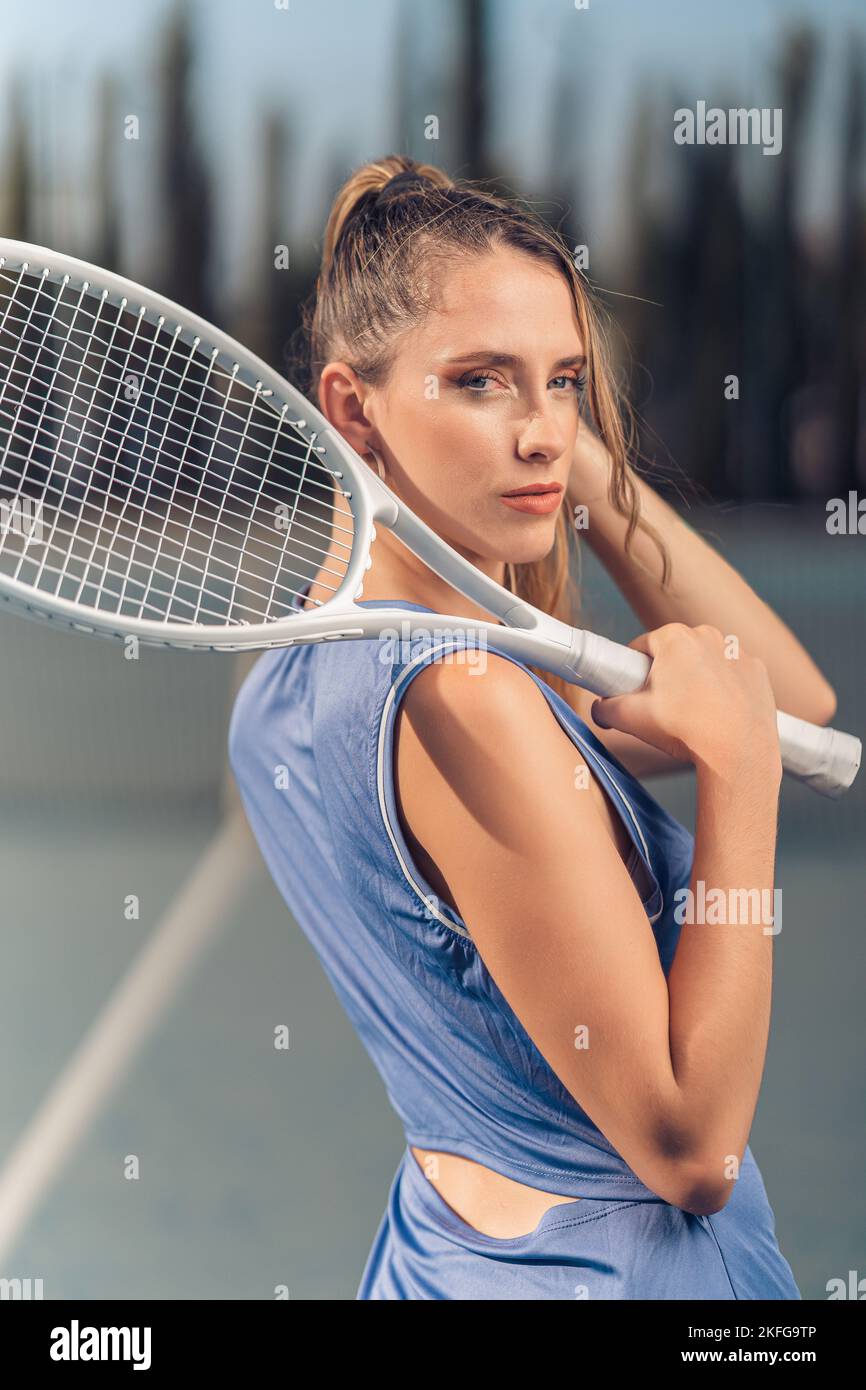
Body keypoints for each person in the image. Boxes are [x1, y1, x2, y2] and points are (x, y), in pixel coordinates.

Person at [229, 154, 836, 1299]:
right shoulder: (473, 702)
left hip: (443, 1257)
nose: (543, 428)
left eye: (561, 380)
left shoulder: (298, 664)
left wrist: (563, 459)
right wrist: (738, 782)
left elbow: (789, 696)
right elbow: (689, 1148)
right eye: (479, 381)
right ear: (350, 407)